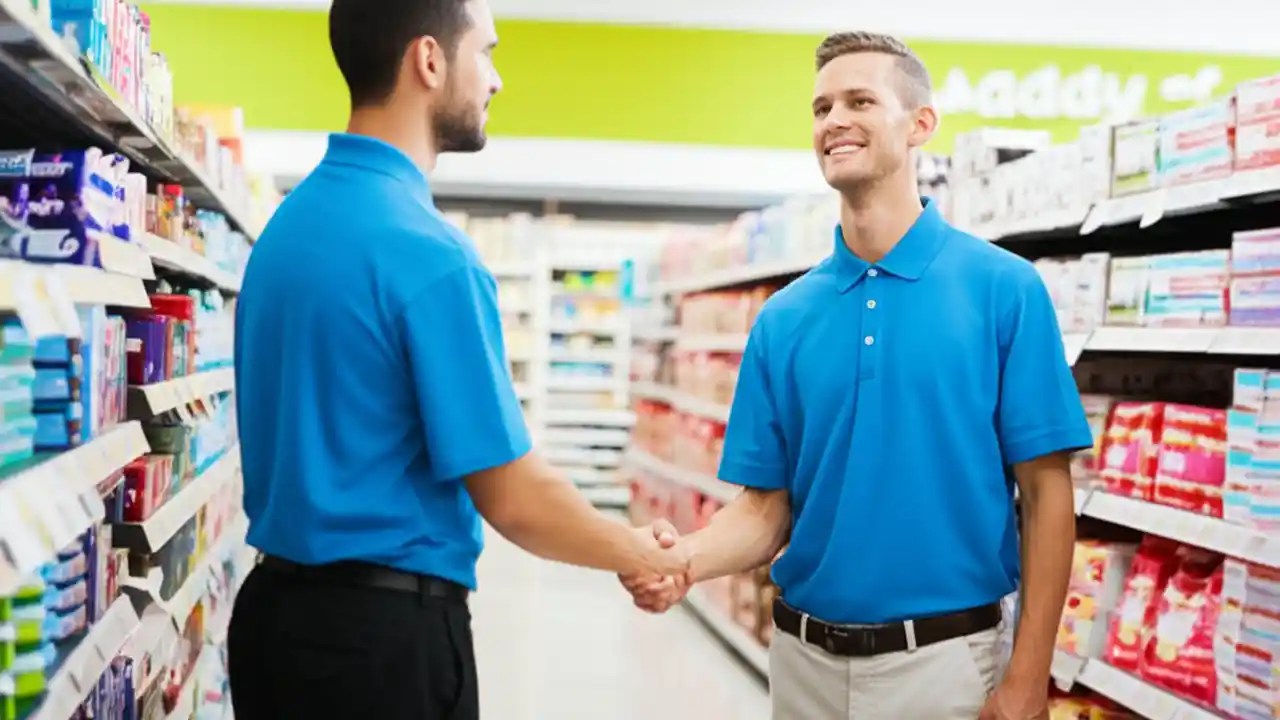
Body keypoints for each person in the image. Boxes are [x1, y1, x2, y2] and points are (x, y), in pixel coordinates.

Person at [227, 1, 688, 718]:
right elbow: (513, 494)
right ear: (430, 60)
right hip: (380, 651)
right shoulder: (427, 252)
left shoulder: (288, 227)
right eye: (489, 52)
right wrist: (639, 552)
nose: (497, 80)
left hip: (271, 625)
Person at [623, 31, 1091, 720]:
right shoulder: (784, 317)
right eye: (821, 108)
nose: (833, 120)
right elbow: (763, 510)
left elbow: (1047, 494)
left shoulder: (1003, 289)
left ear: (921, 124)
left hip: (946, 668)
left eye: (860, 100)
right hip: (802, 665)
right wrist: (685, 559)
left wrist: (1029, 676)